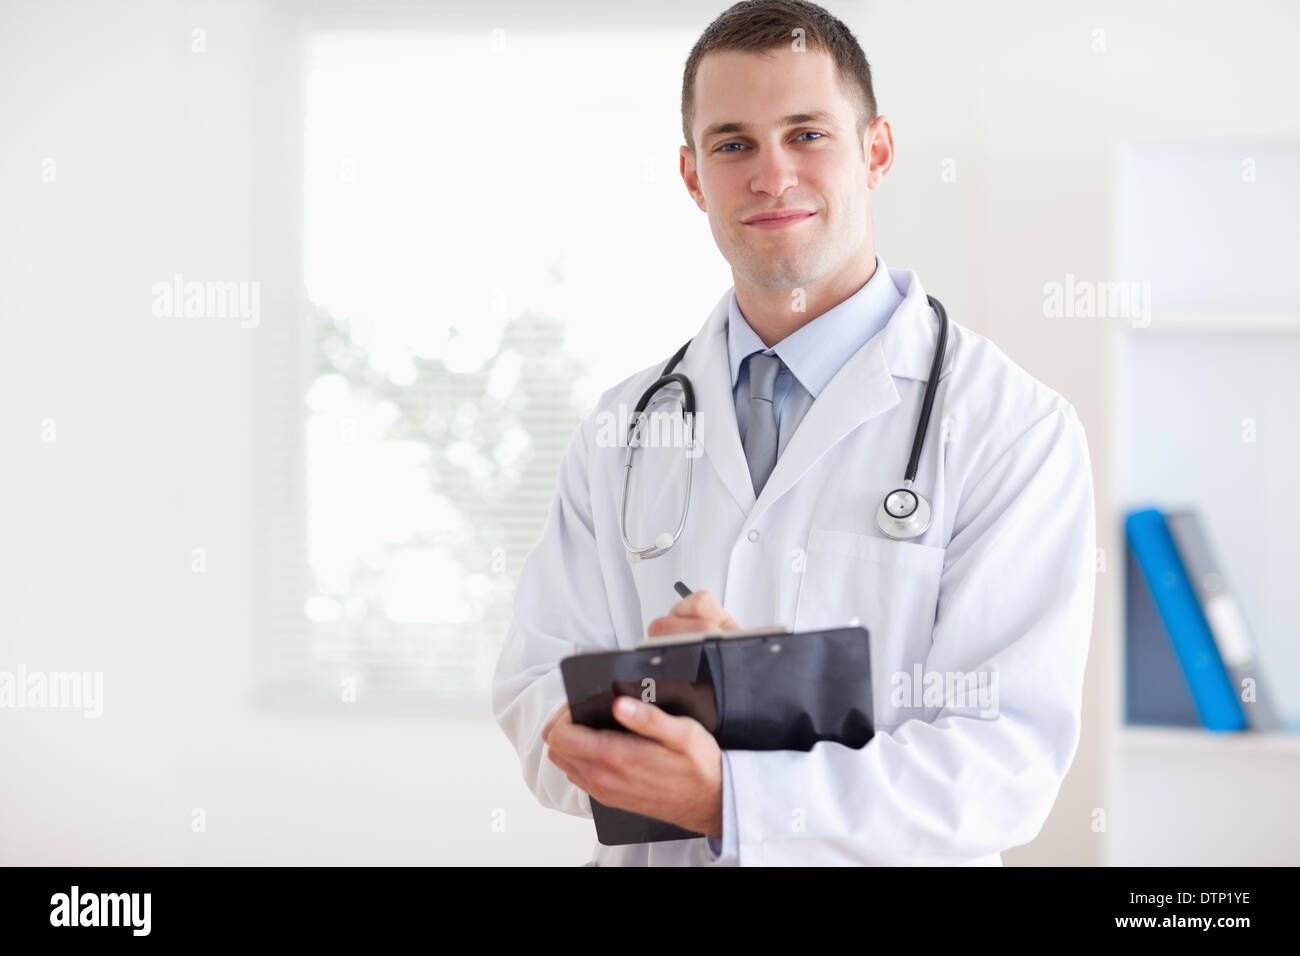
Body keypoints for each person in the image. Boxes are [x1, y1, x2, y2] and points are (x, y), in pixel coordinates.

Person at [492, 0, 1096, 866]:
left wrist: (731, 793)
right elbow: (534, 687)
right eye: (732, 144)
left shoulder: (1012, 429)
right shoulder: (623, 428)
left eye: (807, 134)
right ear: (693, 177)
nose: (771, 177)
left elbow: (1004, 763)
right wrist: (647, 720)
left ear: (875, 152)